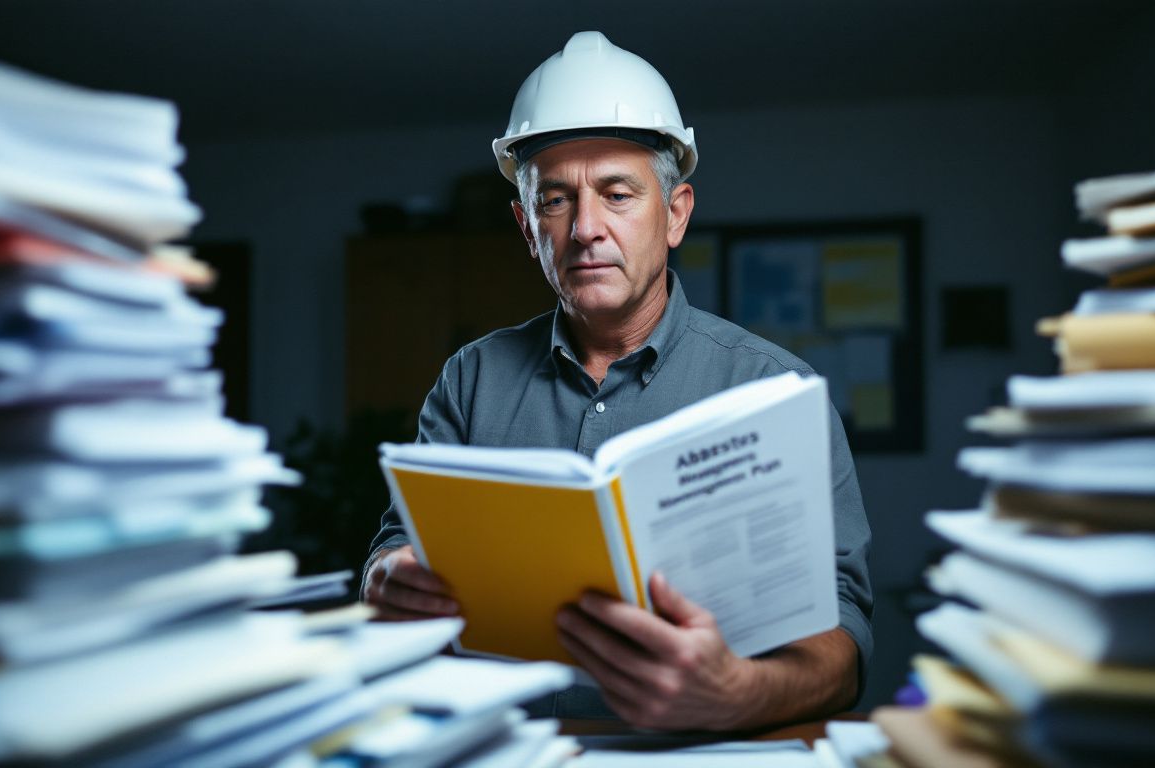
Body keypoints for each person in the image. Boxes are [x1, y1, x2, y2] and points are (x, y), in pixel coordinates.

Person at [362, 31, 872, 731]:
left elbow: (840, 643)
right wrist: (387, 576)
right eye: (555, 201)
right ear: (525, 225)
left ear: (676, 214)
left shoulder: (776, 390)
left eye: (618, 194)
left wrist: (737, 693)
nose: (584, 230)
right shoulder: (468, 381)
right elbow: (393, 551)